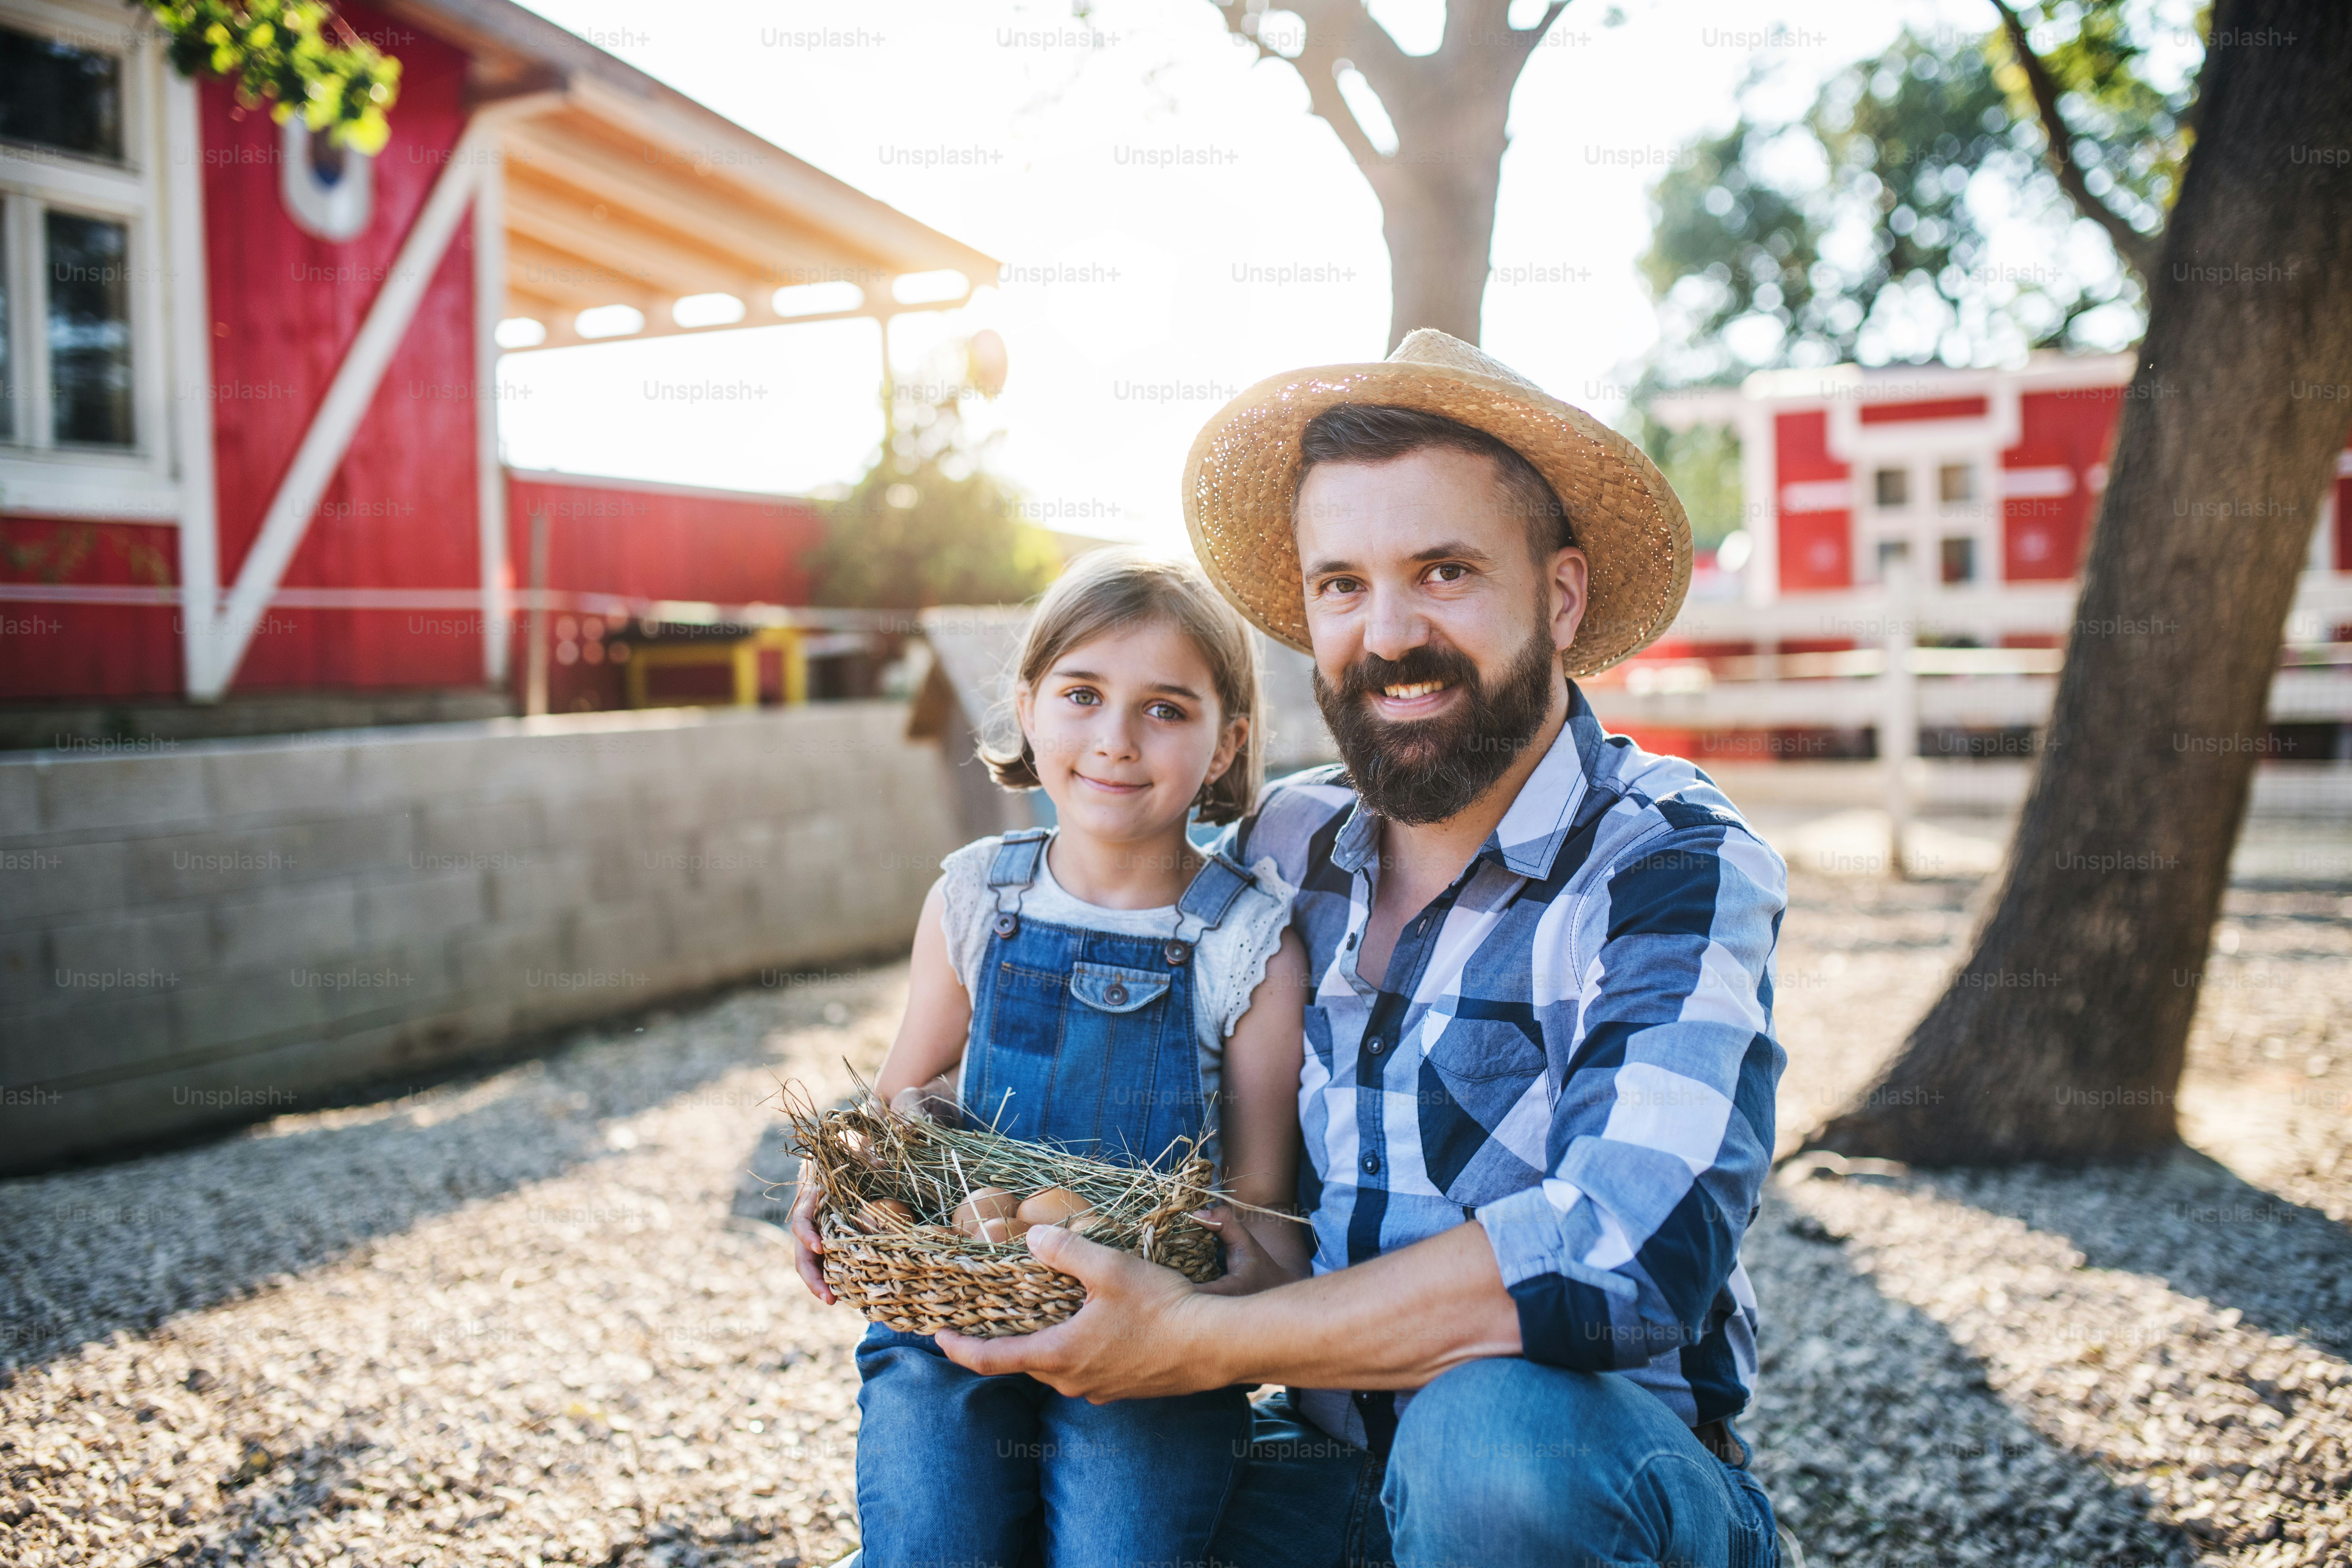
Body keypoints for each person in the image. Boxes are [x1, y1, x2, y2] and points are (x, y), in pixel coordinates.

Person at [938, 332, 1791, 1568]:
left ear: (1559, 597)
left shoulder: (1669, 862)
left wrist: (1196, 1343)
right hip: (1325, 1469)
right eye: (1341, 584)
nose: (1387, 636)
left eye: (1443, 572)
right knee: (1031, 1491)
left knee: (1493, 1450)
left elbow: (1626, 1255)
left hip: (1591, 1491)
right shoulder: (1285, 843)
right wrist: (897, 1160)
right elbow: (1080, 1009)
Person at [789, 550, 1314, 1567]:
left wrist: (1243, 1294)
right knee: (932, 1534)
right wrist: (839, 1178)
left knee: (1126, 1546)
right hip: (958, 1313)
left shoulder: (1245, 940)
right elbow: (902, 1100)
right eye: (1082, 694)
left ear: (1227, 743)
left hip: (1154, 1339)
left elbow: (1263, 1205)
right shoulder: (977, 897)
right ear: (1028, 707)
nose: (1115, 739)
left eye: (1166, 708)